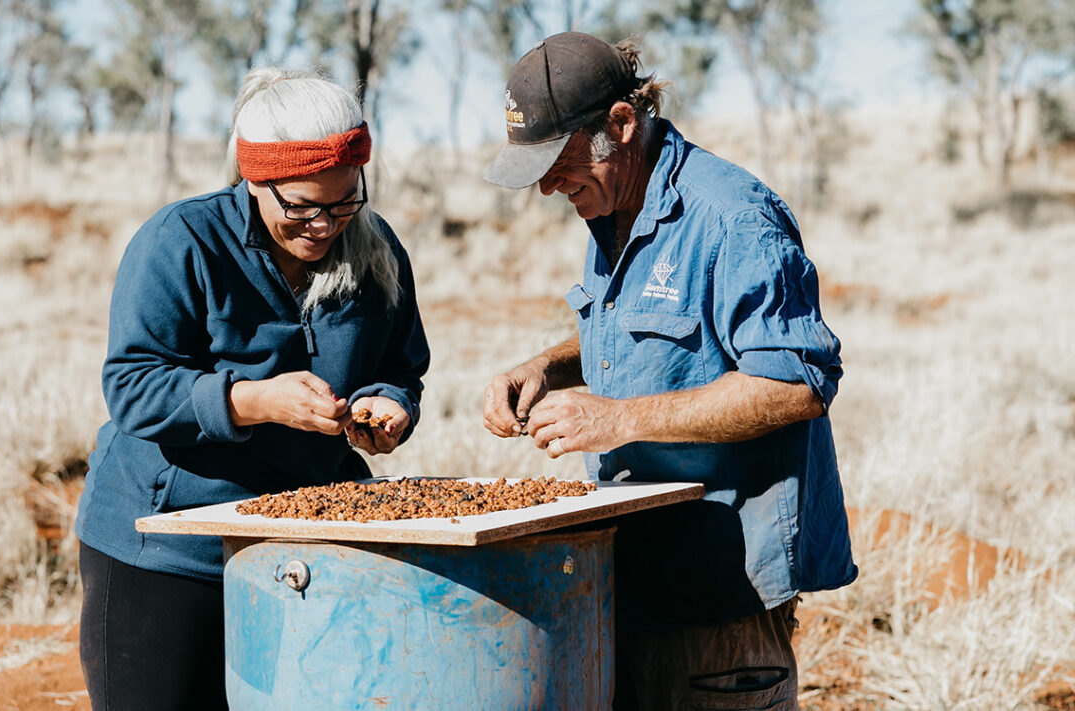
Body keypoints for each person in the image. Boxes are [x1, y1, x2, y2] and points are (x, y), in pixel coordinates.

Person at [481, 32, 856, 710]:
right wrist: (548, 366)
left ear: (620, 126)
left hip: (722, 593)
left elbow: (797, 382)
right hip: (632, 579)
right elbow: (652, 329)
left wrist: (617, 418)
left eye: (556, 162)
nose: (545, 187)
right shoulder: (612, 204)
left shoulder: (732, 217)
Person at [73, 66, 429, 710]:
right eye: (301, 206)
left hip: (307, 551)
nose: (325, 224)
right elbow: (132, 386)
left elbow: (402, 366)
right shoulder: (180, 242)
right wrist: (255, 400)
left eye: (345, 201)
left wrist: (390, 404)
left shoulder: (378, 251)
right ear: (252, 178)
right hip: (167, 549)